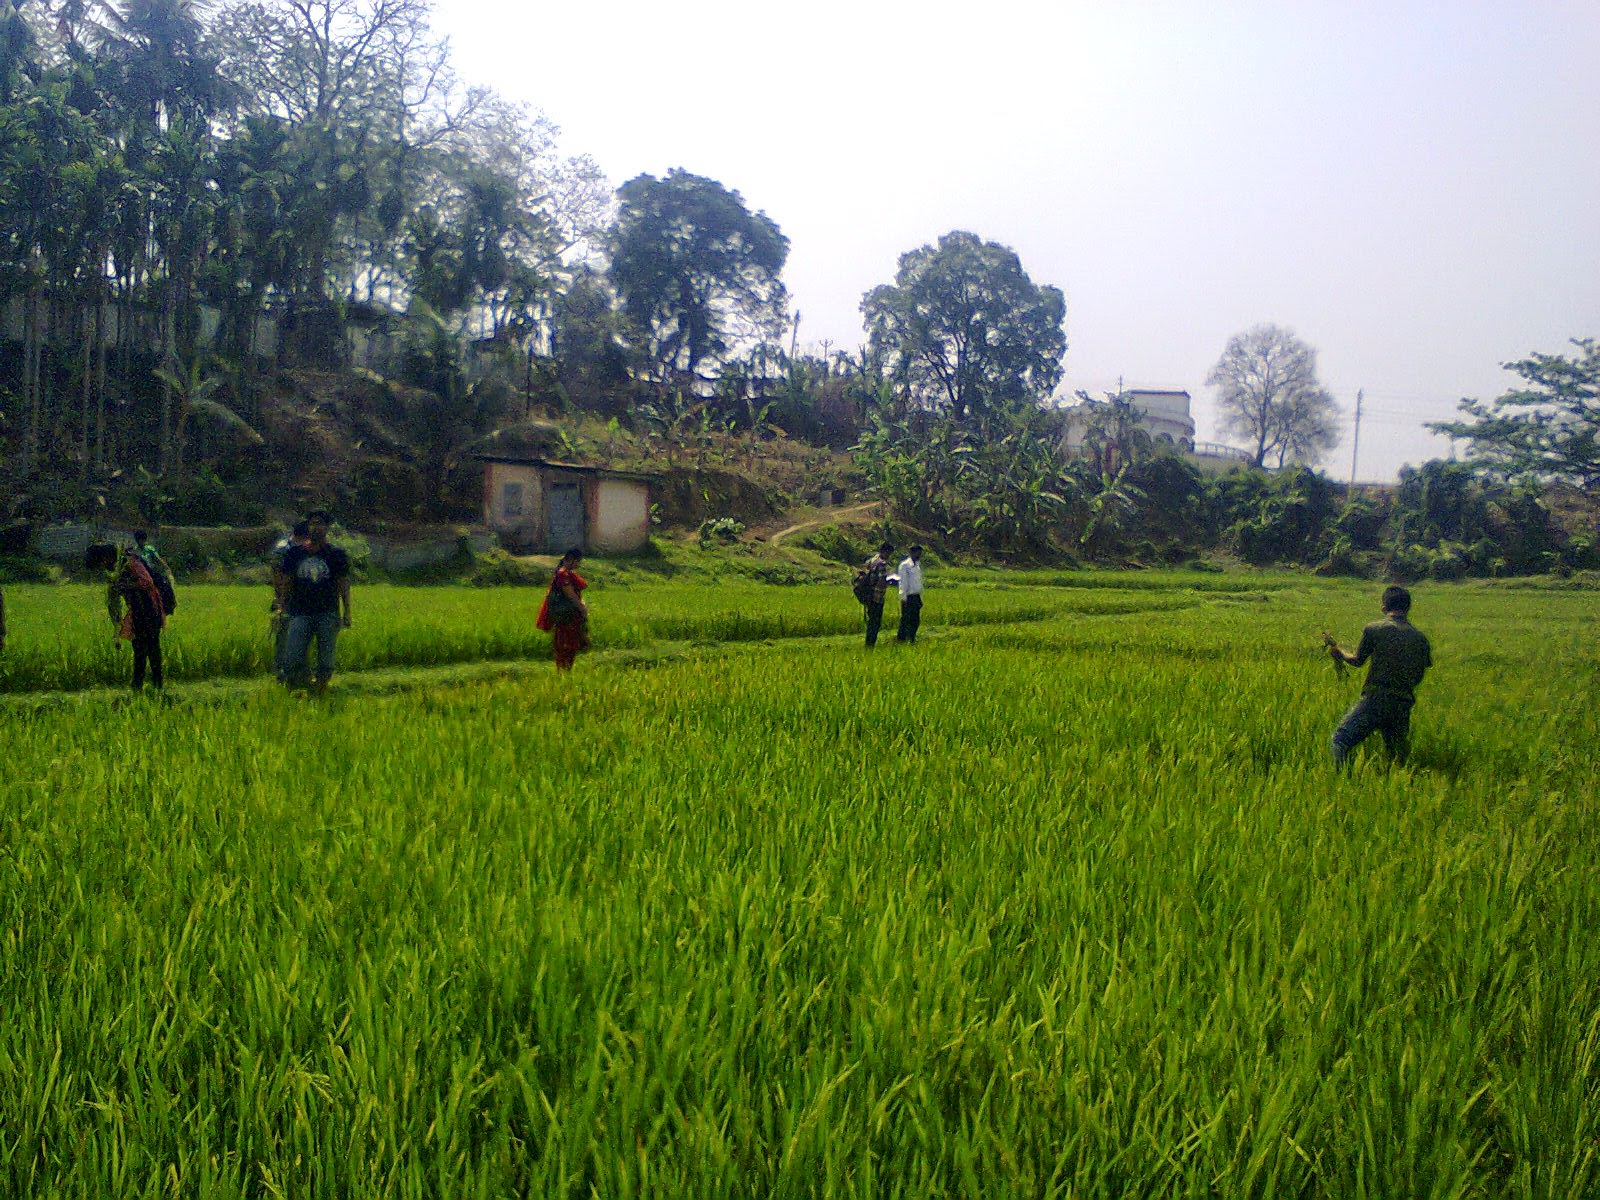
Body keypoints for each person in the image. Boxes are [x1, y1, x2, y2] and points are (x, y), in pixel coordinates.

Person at [1324, 585, 1433, 767]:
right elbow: (1420, 671)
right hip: (1403, 702)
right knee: (1396, 756)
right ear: (1407, 608)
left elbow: (1358, 660)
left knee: (1340, 740)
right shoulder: (1420, 638)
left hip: (1376, 699)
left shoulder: (1375, 629)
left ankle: (1342, 781)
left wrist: (1339, 652)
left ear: (1383, 607)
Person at [279, 510, 351, 693]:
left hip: (327, 612)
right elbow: (287, 581)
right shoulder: (294, 554)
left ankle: (320, 688)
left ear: (326, 528)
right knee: (293, 655)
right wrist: (282, 606)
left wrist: (347, 612)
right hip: (300, 611)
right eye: (312, 523)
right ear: (307, 527)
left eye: (320, 523)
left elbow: (343, 584)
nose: (316, 527)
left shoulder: (336, 555)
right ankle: (298, 685)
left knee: (326, 659)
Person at [91, 541, 167, 689]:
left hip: (150, 609)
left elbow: (147, 582)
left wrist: (126, 586)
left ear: (108, 557)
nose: (103, 564)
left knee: (152, 648)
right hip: (137, 611)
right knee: (138, 648)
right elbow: (113, 601)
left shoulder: (131, 563)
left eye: (103, 561)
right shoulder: (116, 571)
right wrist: (116, 623)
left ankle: (158, 685)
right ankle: (137, 686)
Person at [269, 520, 310, 681]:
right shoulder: (285, 550)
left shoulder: (283, 547)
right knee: (285, 636)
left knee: (302, 635)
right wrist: (281, 598)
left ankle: (300, 671)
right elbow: (277, 576)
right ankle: (282, 671)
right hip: (287, 599)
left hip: (300, 598)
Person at [536, 547, 589, 670]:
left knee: (572, 645)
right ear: (571, 560)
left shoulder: (569, 574)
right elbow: (570, 594)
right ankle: (562, 672)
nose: (578, 564)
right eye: (578, 561)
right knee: (564, 645)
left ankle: (567, 671)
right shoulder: (562, 574)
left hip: (571, 615)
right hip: (565, 616)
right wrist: (582, 609)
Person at [858, 541, 894, 648]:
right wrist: (891, 581)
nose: (889, 556)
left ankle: (868, 644)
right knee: (875, 623)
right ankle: (870, 645)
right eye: (889, 554)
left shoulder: (872, 560)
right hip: (877, 597)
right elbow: (882, 581)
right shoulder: (882, 564)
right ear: (885, 552)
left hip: (868, 596)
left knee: (871, 621)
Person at [895, 545, 925, 644]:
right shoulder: (905, 565)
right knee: (906, 619)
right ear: (912, 553)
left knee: (915, 620)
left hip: (916, 596)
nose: (919, 555)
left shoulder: (917, 565)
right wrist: (903, 598)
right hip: (908, 597)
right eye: (918, 553)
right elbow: (903, 583)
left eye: (920, 553)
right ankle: (901, 639)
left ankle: (911, 638)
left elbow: (918, 582)